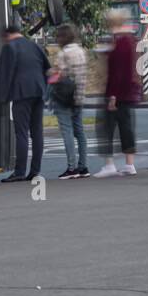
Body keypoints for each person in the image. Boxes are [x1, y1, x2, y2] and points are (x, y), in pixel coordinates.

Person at [0, 25, 50, 183]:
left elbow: (5, 74)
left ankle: (19, 171)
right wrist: (44, 90)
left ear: (7, 35)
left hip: (21, 94)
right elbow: (47, 69)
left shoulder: (9, 48)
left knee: (21, 133)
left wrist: (0, 98)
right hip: (38, 92)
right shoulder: (34, 45)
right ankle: (35, 170)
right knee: (37, 132)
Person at [96, 10, 140, 178]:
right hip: (126, 92)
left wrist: (113, 96)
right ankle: (129, 164)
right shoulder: (129, 40)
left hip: (117, 93)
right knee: (126, 128)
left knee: (106, 128)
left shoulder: (120, 42)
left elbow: (118, 72)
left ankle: (109, 165)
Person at [50, 23, 90, 180]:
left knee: (67, 131)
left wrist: (49, 74)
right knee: (80, 132)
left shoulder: (63, 54)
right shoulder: (81, 51)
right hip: (79, 97)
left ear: (62, 38)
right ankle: (83, 166)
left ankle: (71, 167)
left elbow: (57, 76)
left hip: (64, 98)